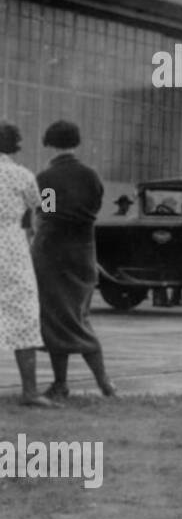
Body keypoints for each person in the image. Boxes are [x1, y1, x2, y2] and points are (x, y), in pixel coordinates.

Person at [31, 120, 115, 399]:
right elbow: (94, 206)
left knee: (56, 318)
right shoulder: (91, 176)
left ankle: (63, 383)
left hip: (53, 252)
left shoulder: (46, 178)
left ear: (49, 143)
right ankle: (102, 382)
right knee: (79, 315)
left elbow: (48, 213)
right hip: (84, 251)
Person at [0, 122, 56, 407]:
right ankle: (30, 391)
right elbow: (45, 206)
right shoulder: (22, 175)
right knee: (22, 313)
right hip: (11, 247)